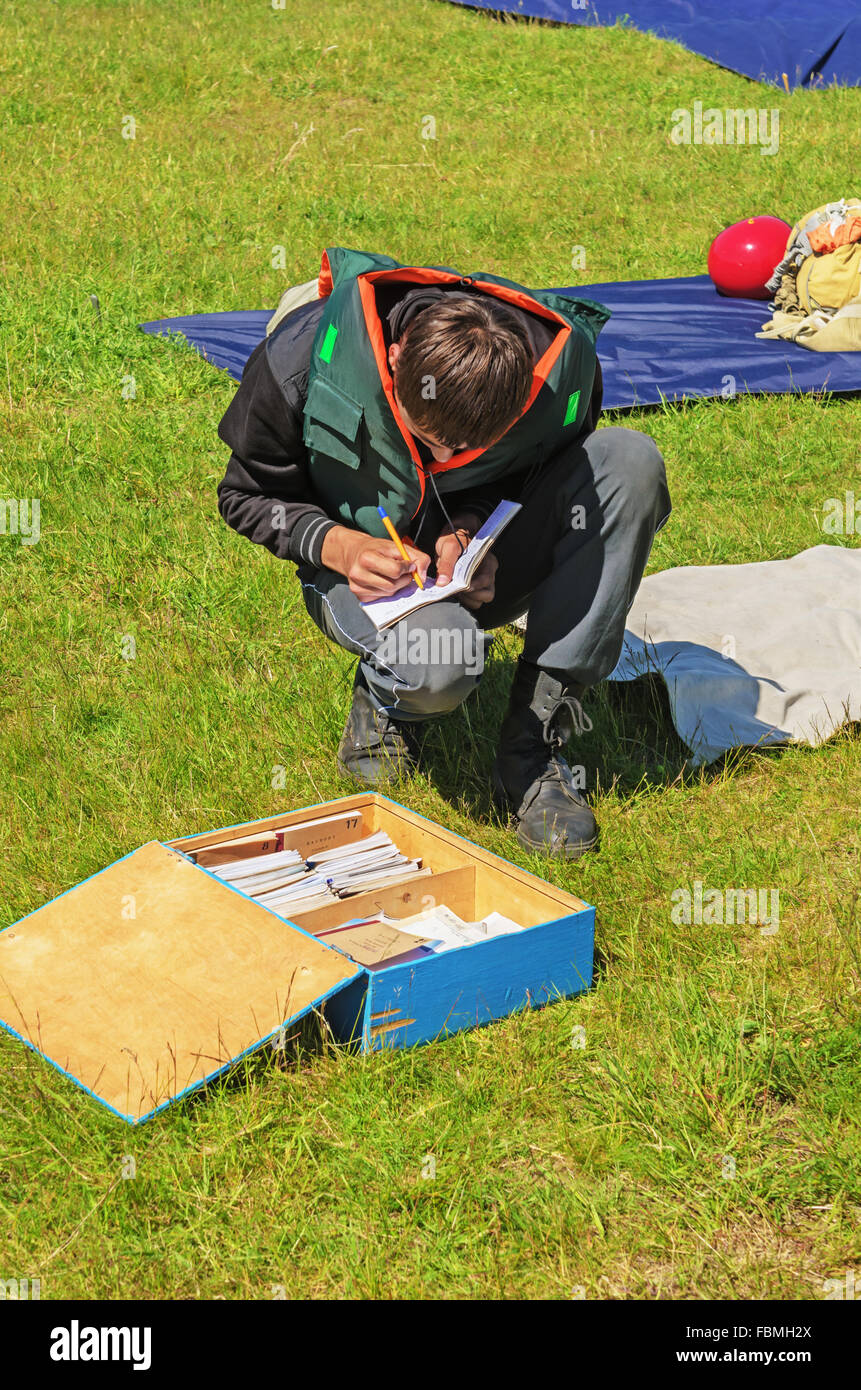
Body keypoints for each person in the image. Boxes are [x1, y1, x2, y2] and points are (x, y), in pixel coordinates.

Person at [216, 248, 671, 859]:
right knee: (443, 663)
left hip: (475, 569)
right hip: (362, 579)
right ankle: (386, 702)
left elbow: (541, 481)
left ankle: (535, 745)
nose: (443, 458)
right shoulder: (298, 361)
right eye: (429, 441)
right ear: (396, 360)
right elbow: (246, 495)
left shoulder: (557, 380)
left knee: (628, 462)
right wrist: (340, 545)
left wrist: (473, 526)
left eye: (469, 447)